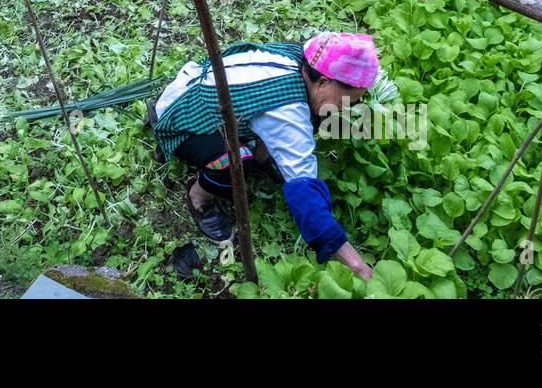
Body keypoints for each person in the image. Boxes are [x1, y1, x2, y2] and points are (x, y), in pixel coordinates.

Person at [150, 32, 378, 281]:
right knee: (235, 160)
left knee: (306, 116)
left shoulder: (302, 59)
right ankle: (199, 197)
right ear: (323, 82)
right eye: (347, 100)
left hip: (193, 85)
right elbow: (307, 199)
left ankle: (262, 156)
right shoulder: (287, 110)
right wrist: (358, 267)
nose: (346, 108)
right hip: (183, 120)